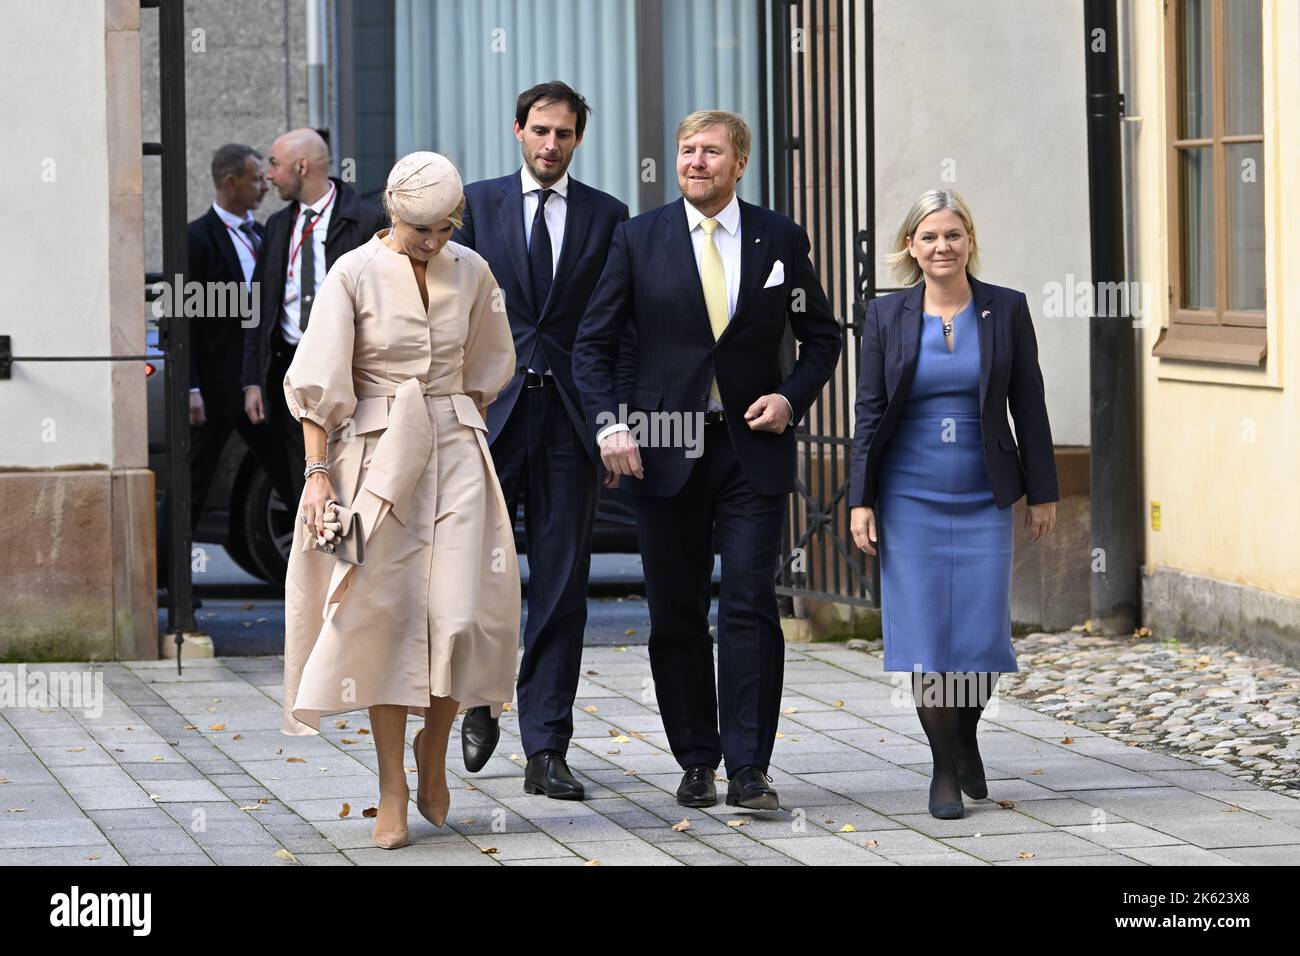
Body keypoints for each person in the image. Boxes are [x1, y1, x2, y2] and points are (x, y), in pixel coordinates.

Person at [573, 110, 841, 811]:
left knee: (751, 601)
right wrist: (610, 427)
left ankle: (750, 767)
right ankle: (697, 759)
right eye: (687, 150)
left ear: (739, 162)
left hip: (751, 447)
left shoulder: (780, 237)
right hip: (663, 451)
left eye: (711, 151)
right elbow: (592, 346)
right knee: (677, 611)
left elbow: (822, 337)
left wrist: (790, 399)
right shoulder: (638, 239)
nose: (696, 162)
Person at [280, 152, 520, 850]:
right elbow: (317, 383)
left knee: (460, 615)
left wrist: (450, 421)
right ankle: (390, 788)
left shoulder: (472, 270)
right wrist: (318, 474)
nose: (434, 241)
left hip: (455, 451)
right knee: (381, 618)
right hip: (370, 461)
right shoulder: (351, 272)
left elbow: (489, 366)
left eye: (445, 228)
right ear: (393, 214)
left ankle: (433, 747)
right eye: (422, 229)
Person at [848, 189, 1059, 819]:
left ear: (970, 240)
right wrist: (861, 500)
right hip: (908, 493)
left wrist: (1043, 490)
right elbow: (869, 414)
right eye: (929, 236)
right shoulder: (885, 317)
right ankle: (945, 768)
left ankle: (964, 734)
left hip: (984, 492)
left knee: (980, 634)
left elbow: (1031, 404)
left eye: (953, 234)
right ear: (910, 246)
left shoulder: (1005, 309)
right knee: (925, 637)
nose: (942, 247)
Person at [451, 81, 630, 800]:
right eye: (541, 131)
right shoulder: (475, 206)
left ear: (578, 140)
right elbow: (447, 314)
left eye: (564, 134)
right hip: (488, 420)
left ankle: (547, 747)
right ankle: (475, 701)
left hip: (569, 427)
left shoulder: (607, 216)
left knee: (561, 589)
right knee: (473, 576)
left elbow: (617, 328)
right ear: (518, 130)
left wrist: (612, 421)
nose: (551, 145)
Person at [241, 128, 386, 513]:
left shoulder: (366, 221)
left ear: (302, 166)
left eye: (274, 165)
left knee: (354, 475)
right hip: (293, 368)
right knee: (304, 478)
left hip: (353, 370)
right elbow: (258, 305)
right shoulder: (276, 226)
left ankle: (354, 566)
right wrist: (253, 379)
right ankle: (312, 563)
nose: (268, 175)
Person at [185, 144, 281, 526]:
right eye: (256, 180)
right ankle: (164, 576)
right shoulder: (195, 238)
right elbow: (183, 319)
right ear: (231, 182)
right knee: (194, 480)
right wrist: (191, 388)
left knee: (288, 472)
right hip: (215, 387)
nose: (264, 187)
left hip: (259, 383)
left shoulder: (263, 233)